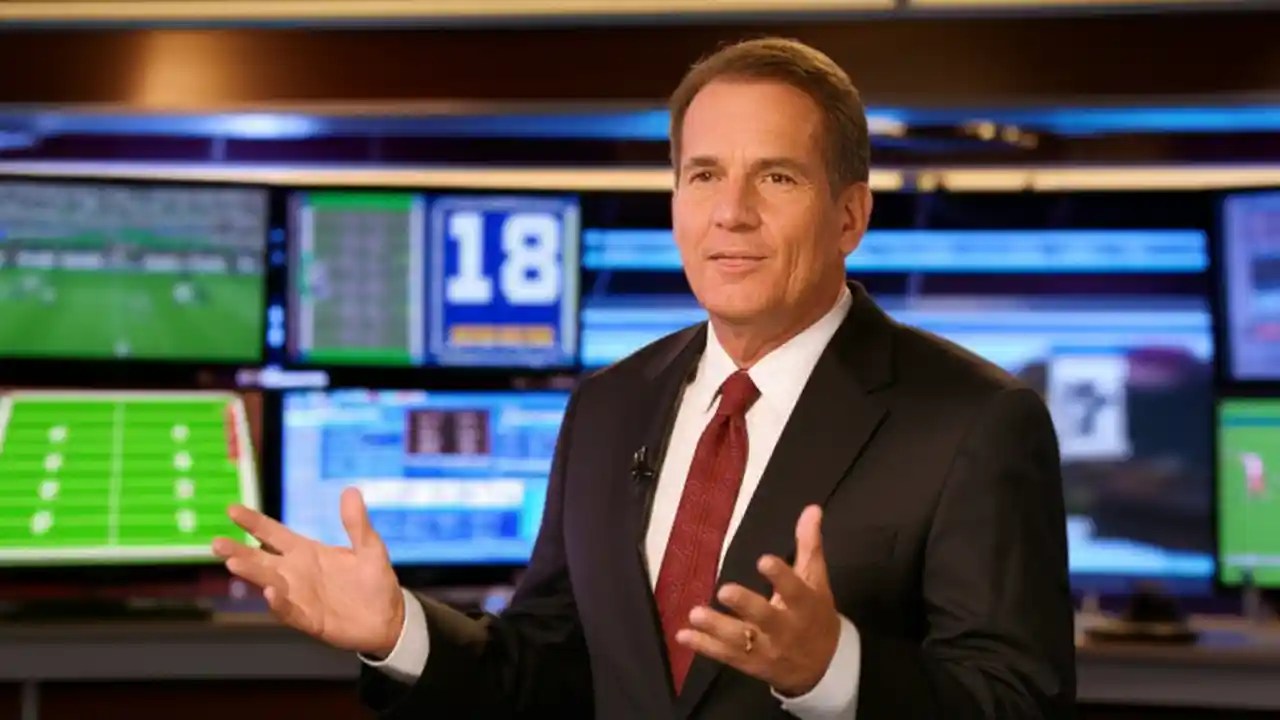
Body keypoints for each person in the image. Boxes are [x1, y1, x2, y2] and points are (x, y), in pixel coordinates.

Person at [214, 36, 1077, 719]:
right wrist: (401, 631)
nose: (731, 212)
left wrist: (833, 671)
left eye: (775, 176)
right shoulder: (608, 404)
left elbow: (1018, 703)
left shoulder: (976, 420)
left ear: (849, 213)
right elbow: (549, 669)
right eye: (704, 175)